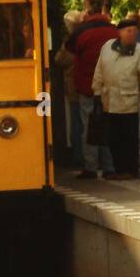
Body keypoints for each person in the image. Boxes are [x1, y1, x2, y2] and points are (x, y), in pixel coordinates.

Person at [67, 0, 118, 179]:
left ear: (86, 11)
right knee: (108, 126)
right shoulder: (113, 30)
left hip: (87, 85)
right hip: (110, 86)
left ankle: (90, 166)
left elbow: (70, 48)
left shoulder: (81, 32)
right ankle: (109, 166)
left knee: (88, 127)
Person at [91, 17, 140, 179]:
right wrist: (97, 93)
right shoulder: (107, 47)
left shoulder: (139, 50)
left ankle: (129, 169)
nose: (132, 35)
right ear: (120, 32)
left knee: (129, 137)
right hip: (109, 100)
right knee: (113, 138)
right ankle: (117, 169)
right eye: (129, 31)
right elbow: (99, 71)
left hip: (129, 101)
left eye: (135, 32)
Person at [54, 10, 85, 168]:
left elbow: (60, 60)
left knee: (77, 125)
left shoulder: (71, 42)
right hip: (86, 84)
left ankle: (79, 156)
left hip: (73, 86)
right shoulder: (86, 36)